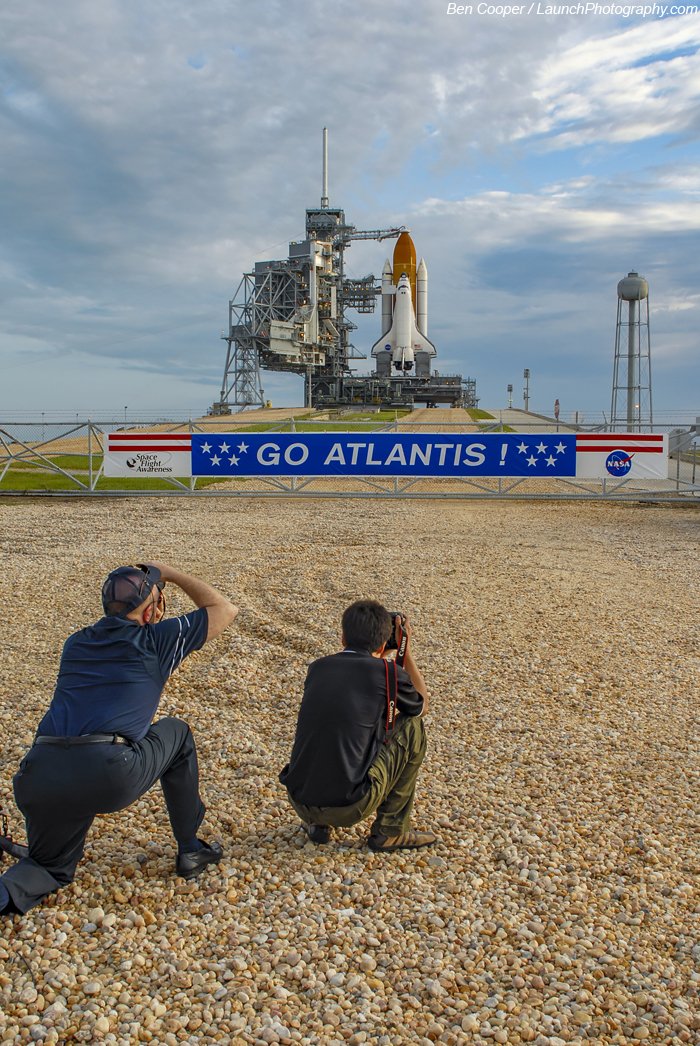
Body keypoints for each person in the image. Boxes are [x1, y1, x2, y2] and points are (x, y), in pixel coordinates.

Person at [0, 562, 238, 916]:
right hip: (107, 773)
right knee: (178, 733)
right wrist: (170, 574)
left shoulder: (76, 642)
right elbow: (224, 609)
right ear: (151, 611)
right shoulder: (156, 639)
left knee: (49, 867)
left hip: (39, 774)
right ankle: (190, 848)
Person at [279, 600, 436, 852]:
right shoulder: (386, 672)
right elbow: (421, 706)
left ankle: (317, 824)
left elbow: (358, 680)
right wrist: (406, 652)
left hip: (300, 800)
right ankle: (391, 831)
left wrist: (381, 655)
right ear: (383, 644)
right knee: (412, 726)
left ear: (343, 637)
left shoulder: (318, 668)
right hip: (350, 807)